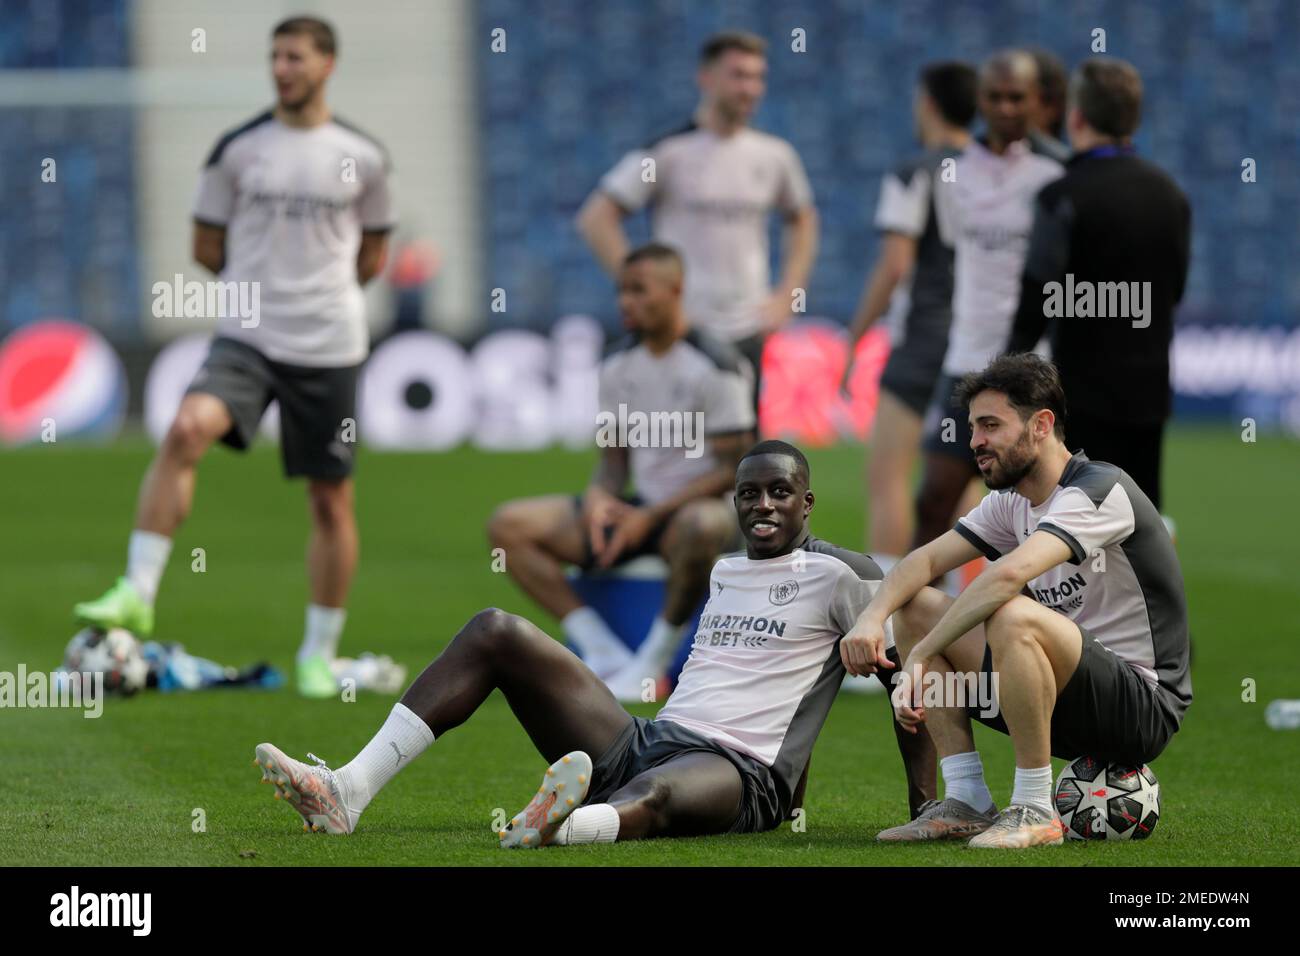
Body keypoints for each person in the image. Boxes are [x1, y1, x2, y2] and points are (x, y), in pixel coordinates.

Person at [253, 441, 935, 844]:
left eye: (780, 493)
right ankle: (348, 790)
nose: (763, 506)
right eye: (749, 494)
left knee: (660, 792)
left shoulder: (846, 575)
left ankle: (565, 827)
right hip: (647, 739)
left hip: (741, 776)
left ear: (807, 503)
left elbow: (906, 690)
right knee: (494, 630)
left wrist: (925, 805)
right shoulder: (725, 570)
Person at [73, 16, 395, 698]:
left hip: (330, 345)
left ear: (327, 65)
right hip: (247, 337)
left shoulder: (362, 157)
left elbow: (372, 255)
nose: (282, 68)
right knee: (187, 428)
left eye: (296, 57)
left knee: (331, 501)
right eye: (275, 55)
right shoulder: (238, 149)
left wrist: (316, 293)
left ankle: (317, 656)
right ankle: (137, 590)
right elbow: (205, 246)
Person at [842, 354, 1191, 848]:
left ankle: (1034, 807)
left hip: (1141, 707)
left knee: (1011, 613)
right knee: (915, 607)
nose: (975, 442)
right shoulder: (1012, 502)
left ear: (1041, 425)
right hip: (1059, 693)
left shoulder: (1098, 490)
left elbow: (1010, 575)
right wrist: (872, 619)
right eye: (972, 428)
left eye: (990, 425)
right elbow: (920, 563)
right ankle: (967, 800)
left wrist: (917, 657)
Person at [488, 243, 754, 702]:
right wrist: (598, 500)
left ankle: (655, 661)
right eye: (621, 291)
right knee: (509, 525)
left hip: (704, 513)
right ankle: (603, 652)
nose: (625, 302)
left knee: (700, 523)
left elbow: (738, 471)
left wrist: (650, 518)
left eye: (638, 290)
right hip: (643, 510)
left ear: (676, 291)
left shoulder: (717, 364)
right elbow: (613, 464)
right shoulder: (615, 366)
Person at [576, 30, 818, 413]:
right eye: (738, 75)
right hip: (682, 330)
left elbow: (802, 218)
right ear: (706, 78)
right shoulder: (668, 154)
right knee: (675, 456)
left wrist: (789, 292)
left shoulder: (773, 157)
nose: (750, 88)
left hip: (746, 330)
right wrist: (643, 291)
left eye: (758, 77)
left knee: (744, 460)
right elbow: (596, 219)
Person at [1006, 56, 1191, 512]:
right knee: (1142, 516)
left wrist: (1005, 373)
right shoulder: (1170, 193)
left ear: (1076, 117)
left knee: (1076, 518)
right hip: (1148, 390)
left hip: (1080, 395)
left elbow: (1036, 301)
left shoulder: (1061, 196)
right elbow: (1176, 290)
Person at [911, 50, 1064, 558]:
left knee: (1041, 505)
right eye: (994, 97)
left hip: (1034, 363)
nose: (1005, 108)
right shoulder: (951, 174)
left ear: (1037, 101)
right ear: (979, 100)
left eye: (1016, 97)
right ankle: (908, 628)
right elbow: (957, 249)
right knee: (934, 498)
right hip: (966, 359)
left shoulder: (1054, 174)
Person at [842, 61, 976, 577]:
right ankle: (962, 610)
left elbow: (896, 263)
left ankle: (891, 611)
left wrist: (854, 338)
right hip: (976, 340)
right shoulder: (993, 171)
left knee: (888, 476)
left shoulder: (914, 171)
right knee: (964, 478)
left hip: (923, 337)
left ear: (928, 103)